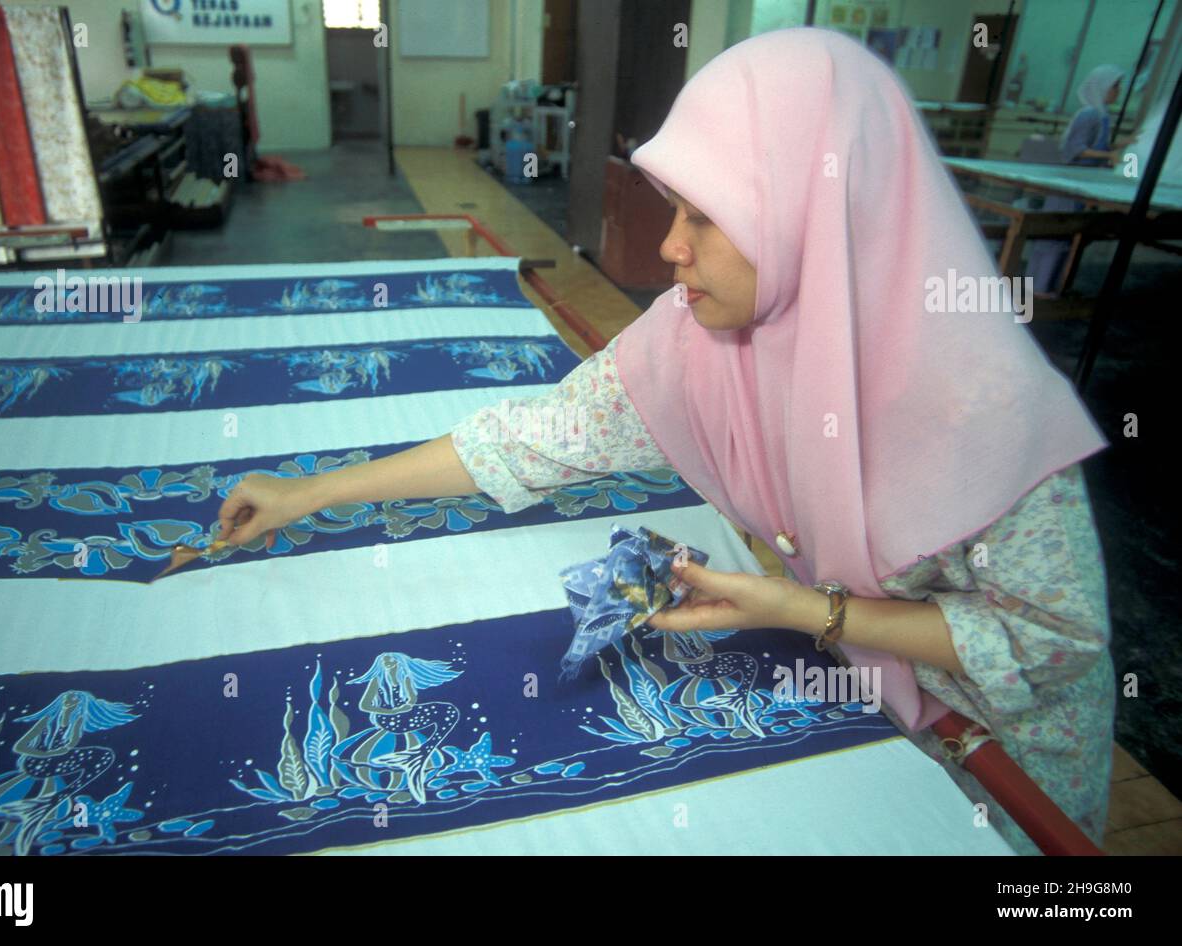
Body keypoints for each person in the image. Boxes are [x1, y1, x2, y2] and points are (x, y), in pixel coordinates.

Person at [216, 28, 1116, 856]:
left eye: (705, 217)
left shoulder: (983, 403)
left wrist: (805, 611)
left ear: (815, 211)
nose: (670, 249)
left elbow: (1050, 639)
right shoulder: (702, 338)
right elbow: (531, 439)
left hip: (1005, 760)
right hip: (866, 696)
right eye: (671, 209)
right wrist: (310, 493)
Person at [1025, 64, 1127, 294]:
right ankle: (1037, 288)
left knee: (1068, 237)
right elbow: (1075, 149)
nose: (1118, 91)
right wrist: (1109, 155)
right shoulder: (1089, 115)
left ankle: (1049, 286)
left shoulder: (1102, 116)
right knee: (1055, 234)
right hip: (1069, 185)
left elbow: (1097, 146)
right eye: (1115, 86)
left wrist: (1122, 145)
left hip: (1082, 185)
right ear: (1101, 87)